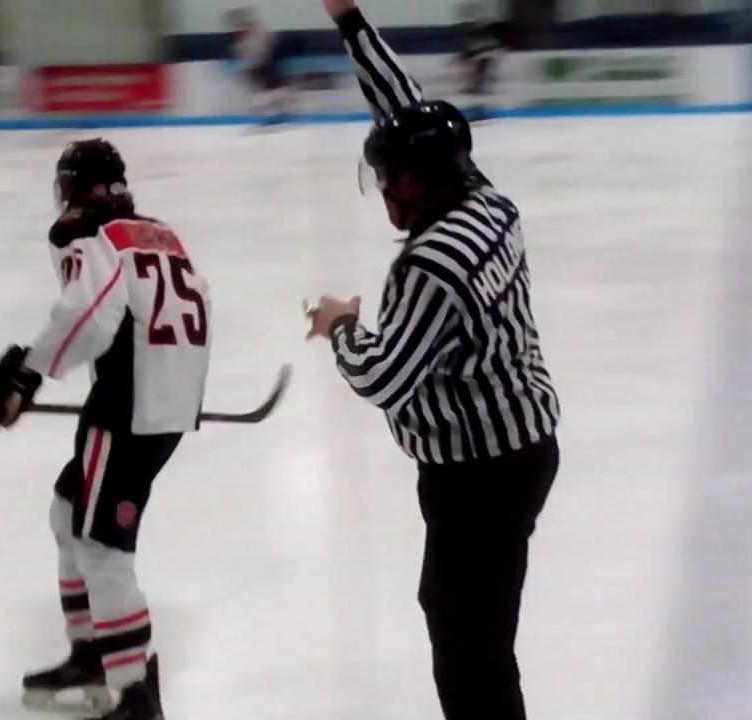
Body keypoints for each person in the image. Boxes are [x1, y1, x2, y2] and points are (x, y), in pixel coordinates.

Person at [304, 2, 561, 719]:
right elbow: (408, 109)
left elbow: (387, 375)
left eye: (390, 179)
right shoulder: (485, 201)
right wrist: (350, 19)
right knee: (466, 624)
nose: (385, 190)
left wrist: (343, 327)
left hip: (480, 475)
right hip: (518, 449)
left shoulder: (431, 266)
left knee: (470, 650)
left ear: (414, 183)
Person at [0, 138, 212, 720]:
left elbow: (92, 313)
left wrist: (25, 374)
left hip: (129, 407)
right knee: (68, 508)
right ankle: (92, 652)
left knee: (103, 547)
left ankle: (132, 693)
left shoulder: (86, 233)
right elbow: (193, 304)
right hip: (163, 401)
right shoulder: (156, 231)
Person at [225, 7, 291, 126]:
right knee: (261, 94)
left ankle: (278, 113)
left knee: (267, 92)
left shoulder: (256, 32)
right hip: (256, 66)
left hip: (262, 65)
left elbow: (263, 47)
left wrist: (254, 60)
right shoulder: (244, 37)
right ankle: (272, 115)